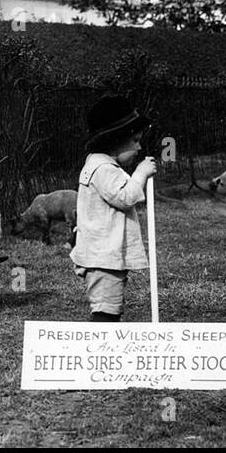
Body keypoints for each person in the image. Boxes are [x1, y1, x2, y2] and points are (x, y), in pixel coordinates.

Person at [70, 96, 158, 322]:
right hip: (103, 258)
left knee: (110, 306)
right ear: (115, 140)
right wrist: (141, 173)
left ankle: (107, 333)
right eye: (135, 140)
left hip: (105, 255)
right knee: (106, 311)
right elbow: (125, 197)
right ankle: (102, 341)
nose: (139, 147)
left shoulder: (99, 164)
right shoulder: (103, 169)